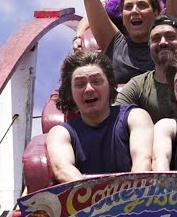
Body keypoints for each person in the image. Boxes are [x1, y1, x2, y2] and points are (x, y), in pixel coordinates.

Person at [46, 50, 154, 183]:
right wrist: (95, 198)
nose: (89, 89)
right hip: (87, 200)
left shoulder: (135, 116)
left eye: (96, 81)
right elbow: (62, 169)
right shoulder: (60, 133)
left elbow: (142, 162)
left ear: (110, 86)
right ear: (70, 93)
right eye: (80, 84)